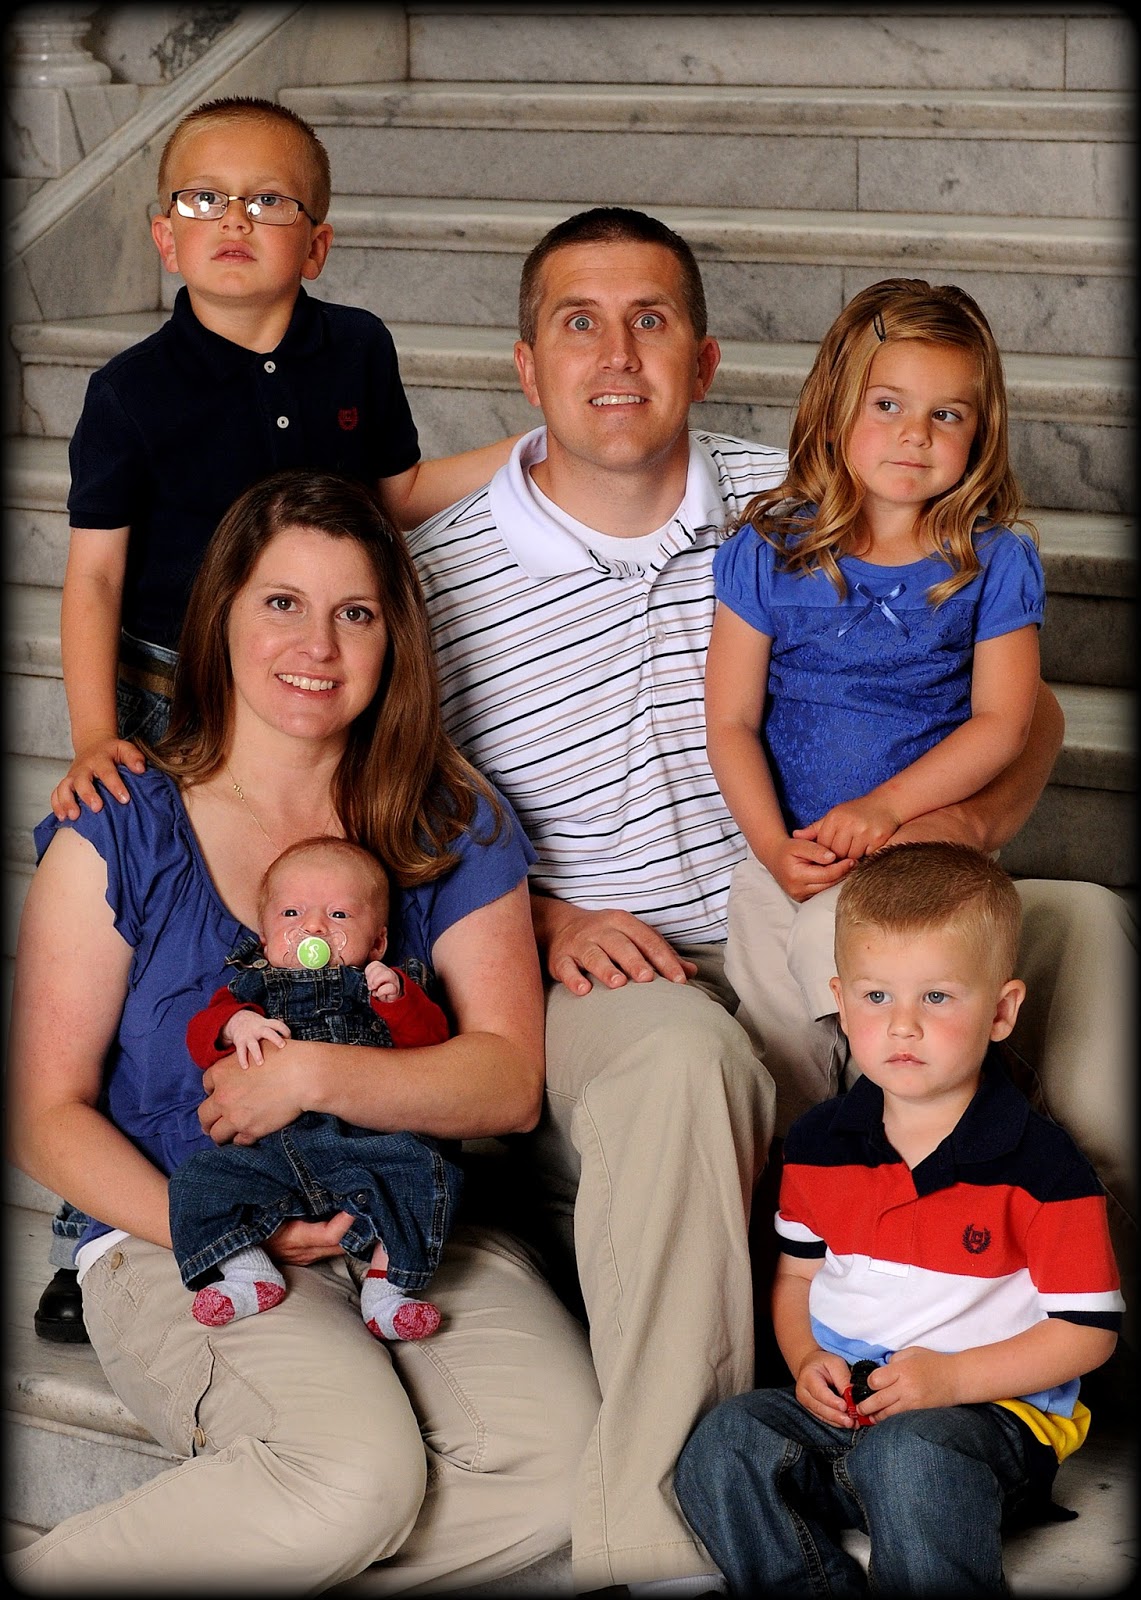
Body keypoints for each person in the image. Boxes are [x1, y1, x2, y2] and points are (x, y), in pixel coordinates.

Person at [406, 205, 1134, 1594]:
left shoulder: (795, 491)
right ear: (522, 366)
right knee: (691, 1057)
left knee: (1091, 930)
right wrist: (534, 919)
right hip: (615, 969)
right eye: (579, 322)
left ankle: (1062, 1363)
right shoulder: (437, 571)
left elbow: (1017, 716)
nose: (617, 354)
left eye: (651, 320)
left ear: (708, 352)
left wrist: (966, 823)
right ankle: (688, 1521)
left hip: (878, 888)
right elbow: (389, 806)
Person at [5, 470, 599, 1593]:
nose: (315, 643)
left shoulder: (448, 820)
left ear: (395, 638)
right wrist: (228, 1228)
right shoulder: (123, 822)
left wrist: (317, 1075)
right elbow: (42, 1115)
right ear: (221, 618)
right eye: (280, 602)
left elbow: (508, 1079)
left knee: (568, 1470)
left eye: (355, 612)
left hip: (407, 1223)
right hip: (179, 1236)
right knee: (357, 1475)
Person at [36, 93, 518, 1343]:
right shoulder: (131, 389)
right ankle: (93, 1224)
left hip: (306, 642)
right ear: (160, 235)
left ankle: (349, 1160)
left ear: (319, 242)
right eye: (202, 198)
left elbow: (391, 495)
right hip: (163, 668)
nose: (232, 221)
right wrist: (100, 733)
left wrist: (530, 459)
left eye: (268, 201)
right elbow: (92, 573)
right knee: (142, 930)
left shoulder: (353, 347)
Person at [674, 842, 1123, 1596]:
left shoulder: (1042, 1167)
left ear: (1002, 1010)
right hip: (852, 1409)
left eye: (937, 998)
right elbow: (795, 1274)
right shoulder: (820, 1143)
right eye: (876, 997)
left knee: (909, 1454)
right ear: (841, 1001)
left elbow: (1086, 1333)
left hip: (987, 1425)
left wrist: (951, 1377)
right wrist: (804, 1357)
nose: (902, 1026)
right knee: (726, 1440)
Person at [705, 278, 1045, 1136]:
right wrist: (773, 848)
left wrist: (886, 810)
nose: (913, 434)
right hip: (788, 856)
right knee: (780, 1039)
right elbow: (730, 722)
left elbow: (1004, 722)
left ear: (982, 429)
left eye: (947, 415)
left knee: (887, 1030)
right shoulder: (768, 551)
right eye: (887, 403)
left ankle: (921, 1171)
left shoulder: (991, 563)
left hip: (912, 864)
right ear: (832, 408)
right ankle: (802, 1208)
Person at [176, 835, 456, 1340]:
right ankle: (246, 1272)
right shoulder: (252, 989)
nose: (313, 927)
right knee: (199, 1180)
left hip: (366, 1147)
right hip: (274, 1156)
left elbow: (432, 1045)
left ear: (377, 943)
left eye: (339, 916)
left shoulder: (384, 984)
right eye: (291, 914)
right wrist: (236, 1025)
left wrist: (397, 1003)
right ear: (264, 940)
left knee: (425, 1170)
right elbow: (200, 1035)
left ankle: (388, 1287)